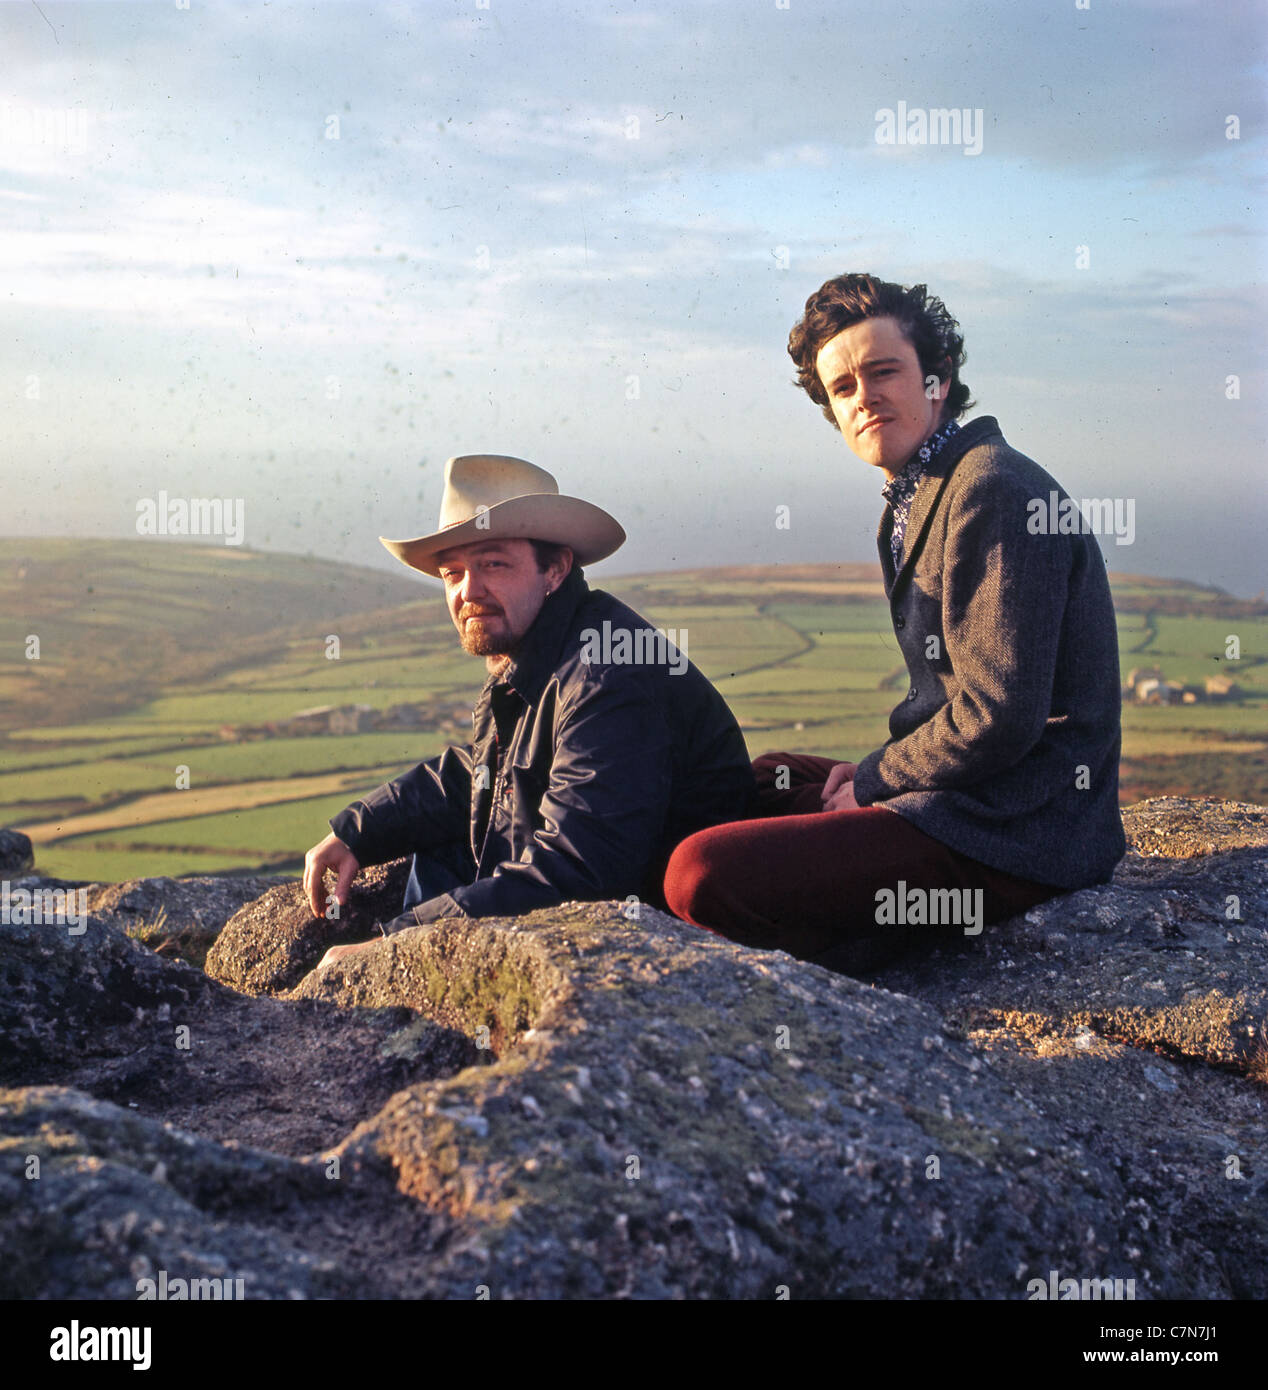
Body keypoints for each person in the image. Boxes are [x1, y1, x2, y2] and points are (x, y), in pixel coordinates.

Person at [663, 273, 1126, 964]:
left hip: (1018, 829)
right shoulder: (919, 493)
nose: (865, 397)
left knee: (698, 871)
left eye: (885, 372)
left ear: (937, 379)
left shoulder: (991, 489)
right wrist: (872, 782)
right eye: (843, 388)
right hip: (967, 795)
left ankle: (852, 957)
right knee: (757, 781)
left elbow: (999, 717)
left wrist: (876, 781)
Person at [305, 453, 755, 965]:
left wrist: (396, 944)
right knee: (440, 846)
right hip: (596, 928)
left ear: (555, 569)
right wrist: (358, 830)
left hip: (657, 959)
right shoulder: (536, 652)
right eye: (453, 573)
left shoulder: (607, 679)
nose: (468, 592)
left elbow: (577, 872)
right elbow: (485, 775)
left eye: (493, 564)